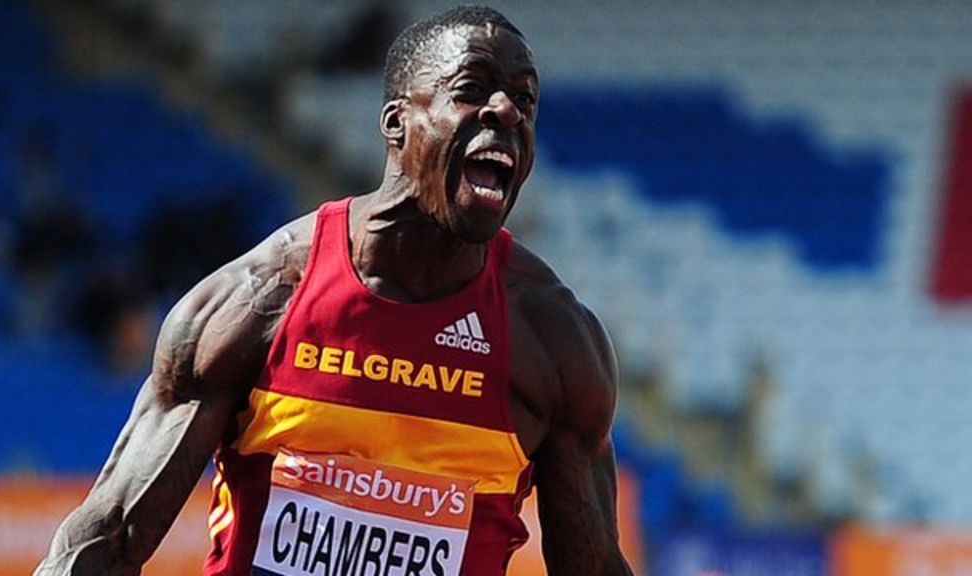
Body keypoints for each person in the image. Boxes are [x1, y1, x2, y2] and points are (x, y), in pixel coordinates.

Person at [35, 6, 633, 575]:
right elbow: (109, 538)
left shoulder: (554, 340)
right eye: (472, 89)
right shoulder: (258, 301)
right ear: (396, 124)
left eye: (525, 99)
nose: (507, 111)